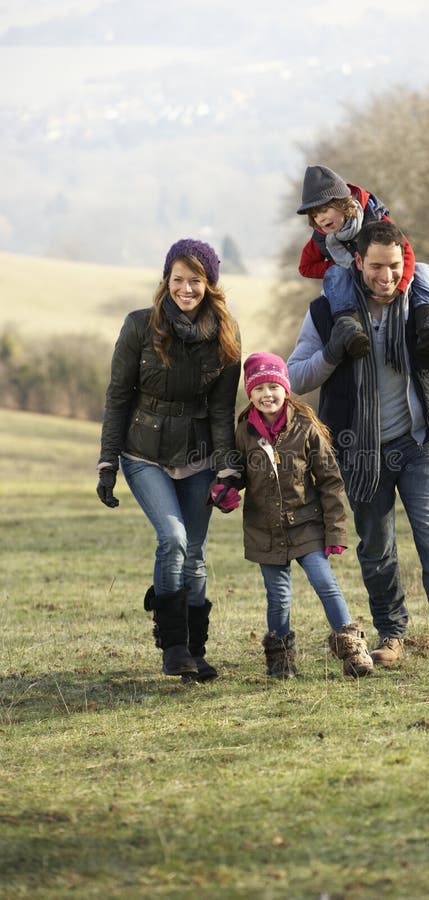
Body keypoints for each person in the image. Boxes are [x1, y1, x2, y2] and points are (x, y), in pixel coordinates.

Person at [287, 220, 429, 670]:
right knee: (375, 544)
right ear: (358, 261)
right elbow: (295, 376)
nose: (387, 277)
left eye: (394, 266)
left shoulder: (420, 302)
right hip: (359, 450)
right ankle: (391, 635)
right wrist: (332, 352)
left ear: (404, 260)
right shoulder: (327, 312)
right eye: (376, 267)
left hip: (417, 444)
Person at [96, 238, 241, 681]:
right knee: (174, 539)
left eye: (195, 280)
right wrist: (107, 462)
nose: (185, 288)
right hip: (145, 454)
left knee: (194, 555)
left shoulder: (226, 334)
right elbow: (118, 396)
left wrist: (229, 466)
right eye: (178, 279)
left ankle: (195, 652)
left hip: (197, 456)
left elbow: (221, 410)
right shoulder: (140, 326)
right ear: (167, 281)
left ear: (209, 284)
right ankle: (173, 647)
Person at [211, 352, 373, 680]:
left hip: (306, 524)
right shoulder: (244, 431)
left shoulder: (306, 428)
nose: (267, 394)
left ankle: (353, 649)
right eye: (258, 389)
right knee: (279, 596)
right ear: (250, 393)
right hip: (264, 529)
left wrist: (336, 532)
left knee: (324, 582)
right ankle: (281, 660)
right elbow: (240, 472)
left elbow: (330, 481)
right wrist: (226, 490)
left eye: (273, 386)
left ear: (286, 389)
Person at [296, 164, 429, 360]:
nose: (320, 218)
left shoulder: (374, 219)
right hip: (353, 284)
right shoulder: (321, 238)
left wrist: (400, 287)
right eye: (314, 215)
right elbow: (305, 267)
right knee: (336, 274)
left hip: (387, 280)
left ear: (342, 203)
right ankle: (348, 326)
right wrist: (344, 265)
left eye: (325, 209)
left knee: (423, 269)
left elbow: (406, 253)